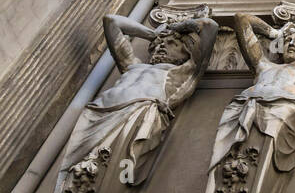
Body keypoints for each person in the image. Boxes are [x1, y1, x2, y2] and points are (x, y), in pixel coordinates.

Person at [62, 13, 217, 184]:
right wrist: (153, 35)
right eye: (159, 44)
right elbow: (111, 21)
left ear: (186, 53)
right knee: (75, 169)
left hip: (136, 116)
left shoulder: (184, 73)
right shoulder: (132, 65)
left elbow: (210, 26)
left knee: (113, 172)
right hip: (97, 115)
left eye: (173, 43)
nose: (162, 46)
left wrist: (177, 28)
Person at [210, 11, 295, 172]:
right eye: (288, 40)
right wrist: (274, 33)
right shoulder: (263, 66)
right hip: (242, 111)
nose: (291, 43)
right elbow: (241, 19)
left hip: (280, 114)